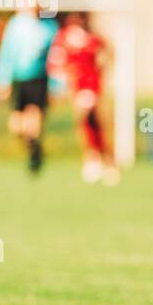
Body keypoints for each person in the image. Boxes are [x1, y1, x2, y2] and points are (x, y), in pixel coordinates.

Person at [0, 0, 61, 174]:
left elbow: (56, 59)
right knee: (16, 126)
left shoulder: (49, 27)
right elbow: (7, 54)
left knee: (34, 122)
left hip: (39, 81)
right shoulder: (16, 24)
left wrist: (56, 86)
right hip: (20, 81)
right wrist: (2, 81)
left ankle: (35, 154)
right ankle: (35, 150)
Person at [49, 11, 119, 185]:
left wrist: (103, 67)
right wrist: (63, 79)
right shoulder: (63, 38)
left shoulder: (92, 39)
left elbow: (109, 52)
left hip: (94, 85)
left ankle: (107, 159)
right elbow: (56, 62)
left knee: (98, 122)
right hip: (78, 87)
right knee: (84, 121)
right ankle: (92, 158)